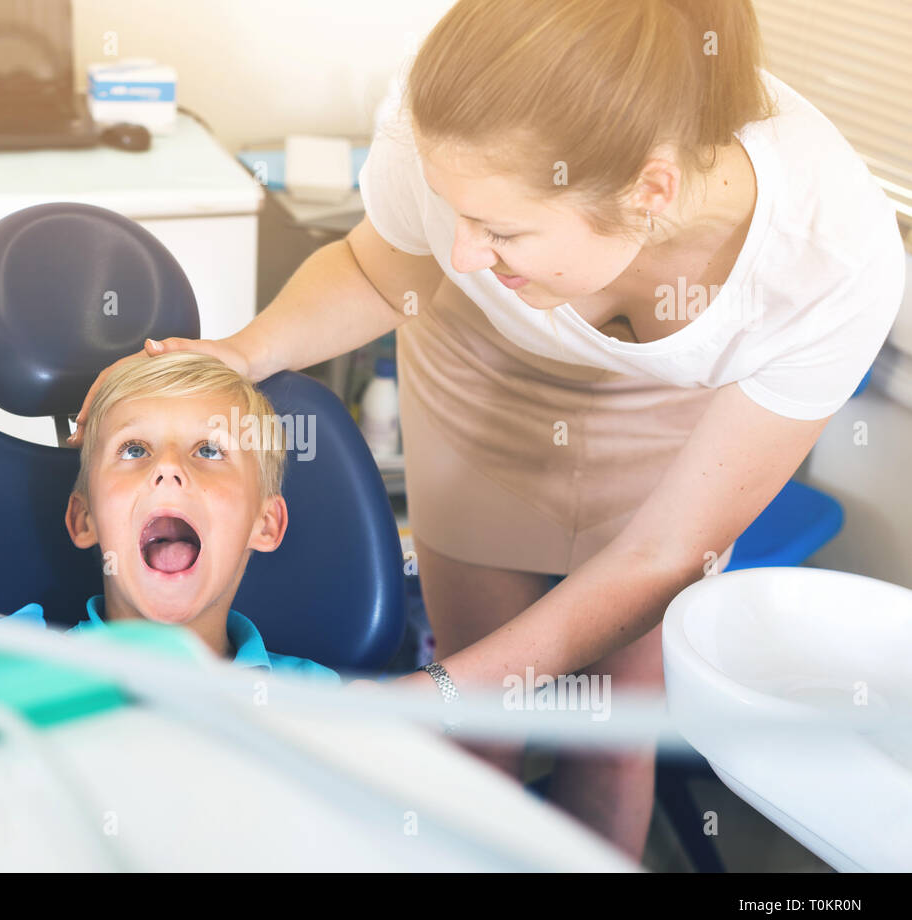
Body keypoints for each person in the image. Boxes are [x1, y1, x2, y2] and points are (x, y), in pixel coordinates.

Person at [70, 0, 907, 858]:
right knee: (481, 722)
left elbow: (661, 556)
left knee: (612, 729)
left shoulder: (828, 261)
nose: (459, 252)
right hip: (479, 366)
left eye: (500, 228)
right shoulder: (454, 124)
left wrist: (415, 696)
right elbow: (379, 268)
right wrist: (238, 354)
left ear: (651, 192)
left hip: (668, 414)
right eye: (452, 214)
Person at [13, 353, 337, 681]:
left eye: (209, 450)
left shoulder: (320, 700)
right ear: (85, 519)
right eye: (134, 450)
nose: (168, 466)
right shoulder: (14, 666)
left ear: (265, 524)